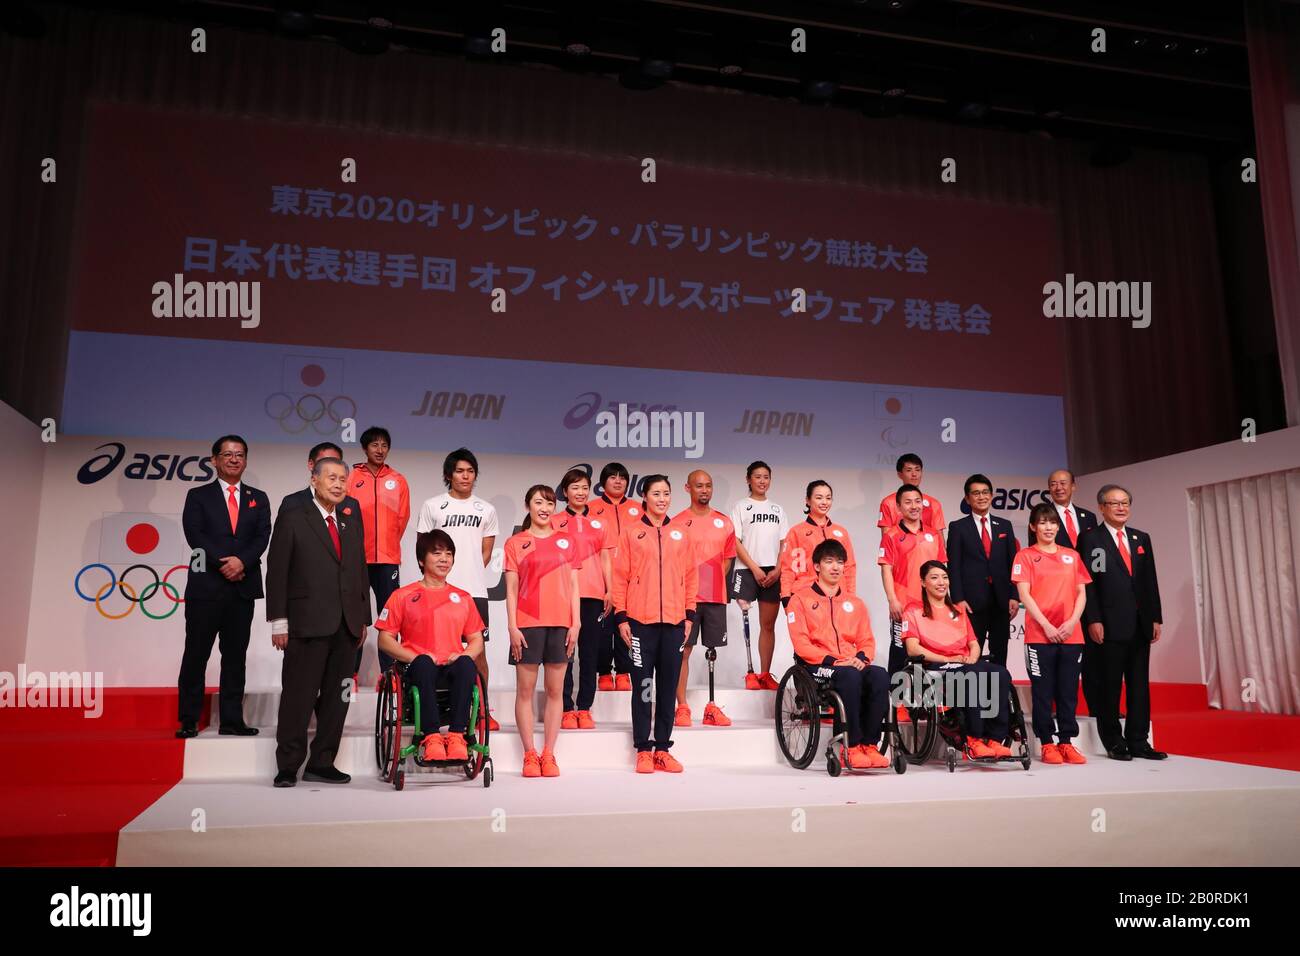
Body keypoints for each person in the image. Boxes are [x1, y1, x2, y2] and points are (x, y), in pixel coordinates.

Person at [266, 457, 371, 787]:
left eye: (344, 479)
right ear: (314, 480)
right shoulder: (294, 516)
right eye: (332, 478)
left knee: (338, 698)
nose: (339, 484)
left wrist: (363, 617)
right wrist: (279, 620)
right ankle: (287, 766)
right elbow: (277, 570)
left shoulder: (351, 519)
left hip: (346, 625)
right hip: (305, 624)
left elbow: (358, 570)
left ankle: (322, 762)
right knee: (298, 696)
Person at [176, 435, 271, 738]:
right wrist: (223, 563)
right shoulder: (197, 495)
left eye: (240, 454)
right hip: (206, 587)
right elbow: (195, 535)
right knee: (196, 653)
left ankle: (232, 719)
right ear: (214, 460)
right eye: (227, 454)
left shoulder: (259, 497)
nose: (234, 459)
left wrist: (241, 562)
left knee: (235, 656)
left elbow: (261, 536)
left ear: (245, 460)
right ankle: (189, 719)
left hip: (241, 588)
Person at [612, 475, 698, 773]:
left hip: (674, 622)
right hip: (640, 623)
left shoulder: (681, 534)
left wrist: (688, 615)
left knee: (666, 687)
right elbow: (620, 576)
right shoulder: (632, 533)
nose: (662, 499)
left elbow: (690, 577)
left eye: (666, 493)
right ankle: (643, 748)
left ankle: (662, 747)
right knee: (643, 687)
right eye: (656, 493)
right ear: (645, 498)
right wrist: (622, 616)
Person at [375, 530, 484, 764]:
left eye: (449, 554)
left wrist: (463, 654)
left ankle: (456, 736)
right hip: (418, 669)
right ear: (422, 560)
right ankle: (432, 737)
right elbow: (385, 640)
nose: (444, 559)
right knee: (423, 663)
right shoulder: (402, 596)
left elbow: (476, 639)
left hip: (451, 668)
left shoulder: (462, 597)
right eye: (437, 553)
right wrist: (415, 656)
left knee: (467, 664)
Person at [1079, 484, 1167, 761]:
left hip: (1140, 624)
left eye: (1125, 503)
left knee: (1140, 685)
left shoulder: (1141, 538)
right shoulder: (1092, 539)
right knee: (1109, 686)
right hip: (1108, 624)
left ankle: (1139, 740)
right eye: (1114, 503)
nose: (1121, 508)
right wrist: (1093, 619)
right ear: (1101, 508)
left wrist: (1155, 617)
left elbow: (1149, 580)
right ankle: (1114, 741)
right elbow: (1090, 584)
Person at [415, 448, 501, 730]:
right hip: (438, 591)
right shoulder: (432, 506)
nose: (465, 476)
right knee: (434, 650)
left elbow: (485, 553)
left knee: (478, 654)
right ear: (449, 474)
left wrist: (468, 573)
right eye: (459, 471)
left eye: (470, 471)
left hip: (474, 592)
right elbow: (423, 548)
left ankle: (483, 711)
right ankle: (439, 710)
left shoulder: (486, 509)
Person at [787, 540, 890, 769]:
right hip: (817, 665)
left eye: (840, 562)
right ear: (816, 566)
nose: (835, 567)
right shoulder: (800, 600)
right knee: (849, 676)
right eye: (829, 562)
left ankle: (870, 745)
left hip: (849, 663)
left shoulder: (855, 603)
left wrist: (862, 658)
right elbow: (801, 644)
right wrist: (835, 661)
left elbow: (866, 640)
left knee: (880, 675)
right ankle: (850, 746)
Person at [901, 561, 1013, 758]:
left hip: (963, 663)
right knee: (972, 674)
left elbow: (974, 644)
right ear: (923, 582)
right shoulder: (912, 610)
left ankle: (996, 738)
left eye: (944, 577)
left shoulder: (957, 611)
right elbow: (912, 648)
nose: (941, 582)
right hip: (935, 664)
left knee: (1000, 673)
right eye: (934, 577)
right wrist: (947, 658)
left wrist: (972, 658)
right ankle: (974, 738)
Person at [504, 485, 580, 778]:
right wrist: (512, 626)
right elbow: (511, 590)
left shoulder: (567, 542)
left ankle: (548, 753)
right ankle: (529, 754)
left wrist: (576, 623)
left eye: (549, 502)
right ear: (528, 507)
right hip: (527, 624)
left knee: (555, 691)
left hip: (560, 623)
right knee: (524, 691)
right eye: (538, 502)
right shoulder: (516, 543)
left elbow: (574, 586)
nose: (545, 508)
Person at [1012, 504, 1091, 765]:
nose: (1048, 527)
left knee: (1068, 690)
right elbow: (1024, 595)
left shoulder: (1072, 555)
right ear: (1033, 527)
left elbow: (1082, 593)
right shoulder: (1024, 556)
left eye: (1052, 522)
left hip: (1072, 633)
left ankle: (1066, 742)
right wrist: (1046, 625)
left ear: (1058, 526)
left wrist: (1071, 622)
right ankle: (1047, 743)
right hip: (1039, 635)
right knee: (1043, 691)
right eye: (1042, 523)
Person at [671, 469, 736, 727]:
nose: (705, 490)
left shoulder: (724, 522)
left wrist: (714, 581)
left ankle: (711, 708)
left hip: (715, 597)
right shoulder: (676, 523)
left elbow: (729, 557)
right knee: (683, 651)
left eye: (708, 485)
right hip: (686, 599)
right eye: (699, 486)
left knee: (711, 651)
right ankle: (682, 707)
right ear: (688, 488)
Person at [1034, 469, 1101, 714]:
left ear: (1074, 485)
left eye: (1063, 483)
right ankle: (1054, 708)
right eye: (1053, 484)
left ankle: (1097, 707)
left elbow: (1097, 557)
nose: (1058, 488)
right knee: (1054, 655)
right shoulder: (1044, 516)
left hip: (1087, 592)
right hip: (1057, 595)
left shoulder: (1088, 516)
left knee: (1093, 655)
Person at [553, 469, 615, 730]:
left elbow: (605, 559)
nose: (580, 492)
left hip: (592, 594)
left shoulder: (600, 523)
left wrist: (610, 589)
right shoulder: (554, 521)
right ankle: (566, 707)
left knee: (589, 653)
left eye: (584, 487)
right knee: (565, 653)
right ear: (565, 491)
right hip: (562, 594)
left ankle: (585, 708)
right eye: (575, 487)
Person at [345, 426, 410, 678]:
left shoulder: (399, 480)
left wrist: (388, 544)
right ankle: (351, 673)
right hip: (357, 560)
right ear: (365, 448)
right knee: (355, 618)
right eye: (375, 445)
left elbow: (402, 520)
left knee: (390, 618)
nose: (380, 450)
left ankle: (390, 671)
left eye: (384, 445)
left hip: (388, 560)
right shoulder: (352, 478)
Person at [945, 474, 1019, 667]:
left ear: (992, 495)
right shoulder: (958, 527)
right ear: (967, 499)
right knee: (972, 653)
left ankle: (998, 695)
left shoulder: (1004, 526)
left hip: (1001, 600)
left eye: (985, 492)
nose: (981, 497)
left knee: (999, 652)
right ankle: (974, 695)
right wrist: (958, 599)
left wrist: (1014, 595)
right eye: (976, 493)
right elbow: (953, 565)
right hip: (971, 601)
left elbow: (1013, 563)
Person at [729, 461, 788, 690]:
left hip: (772, 571)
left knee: (768, 625)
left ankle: (764, 674)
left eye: (766, 477)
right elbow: (735, 541)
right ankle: (750, 672)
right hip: (747, 569)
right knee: (745, 620)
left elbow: (785, 542)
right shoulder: (741, 506)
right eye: (757, 477)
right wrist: (754, 567)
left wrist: (778, 569)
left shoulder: (778, 509)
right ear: (748, 480)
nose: (762, 481)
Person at [879, 485, 948, 674]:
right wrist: (892, 599)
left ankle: (923, 700)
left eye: (917, 501)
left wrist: (944, 601)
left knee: (930, 653)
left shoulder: (934, 534)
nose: (914, 506)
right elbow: (886, 569)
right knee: (901, 653)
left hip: (931, 604)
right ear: (899, 508)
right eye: (908, 502)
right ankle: (895, 700)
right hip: (903, 604)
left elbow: (942, 570)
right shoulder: (891, 535)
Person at [588, 462, 641, 691]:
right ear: (603, 482)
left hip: (631, 577)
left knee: (625, 625)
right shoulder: (591, 508)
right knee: (602, 628)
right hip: (600, 576)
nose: (618, 481)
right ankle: (603, 673)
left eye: (622, 477)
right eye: (613, 477)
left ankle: (623, 671)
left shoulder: (638, 508)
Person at [779, 480, 857, 603]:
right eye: (819, 498)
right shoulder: (796, 532)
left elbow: (849, 567)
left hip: (837, 596)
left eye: (828, 498)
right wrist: (786, 596)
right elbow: (788, 568)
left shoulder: (841, 532)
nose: (824, 502)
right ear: (808, 500)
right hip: (805, 596)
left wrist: (850, 595)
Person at [278, 441, 362, 519]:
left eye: (336, 462)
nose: (331, 467)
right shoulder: (292, 502)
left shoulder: (351, 504)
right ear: (311, 464)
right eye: (324, 462)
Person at [878, 453, 945, 535]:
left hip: (927, 547)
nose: (914, 474)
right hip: (899, 547)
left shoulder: (934, 504)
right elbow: (886, 538)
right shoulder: (888, 502)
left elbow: (939, 541)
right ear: (899, 474)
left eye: (917, 470)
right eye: (909, 470)